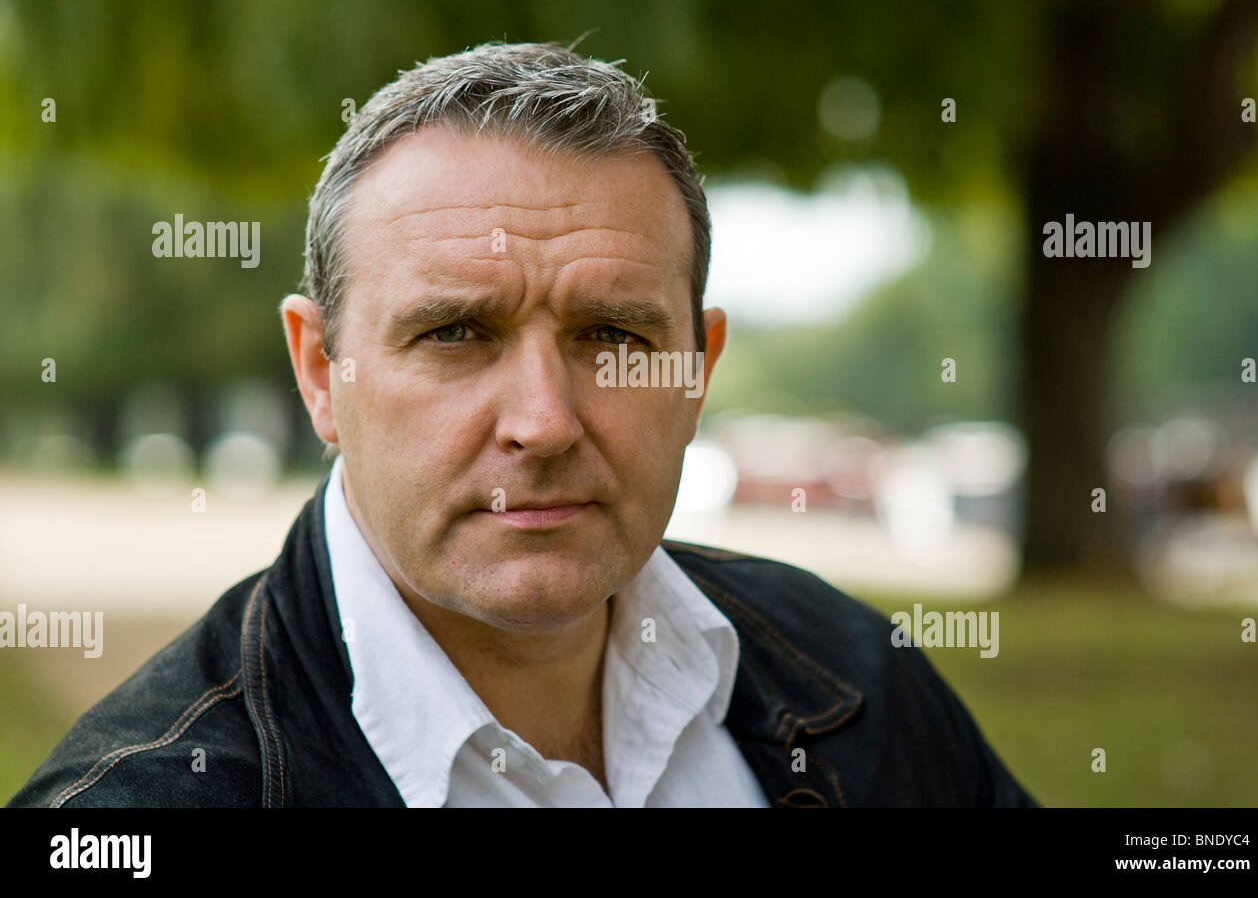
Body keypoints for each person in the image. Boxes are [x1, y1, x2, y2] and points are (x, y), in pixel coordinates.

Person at [10, 41, 1037, 807]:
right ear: (322, 372)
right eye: (456, 332)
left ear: (697, 370)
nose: (542, 425)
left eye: (612, 337)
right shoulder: (138, 806)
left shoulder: (856, 676)